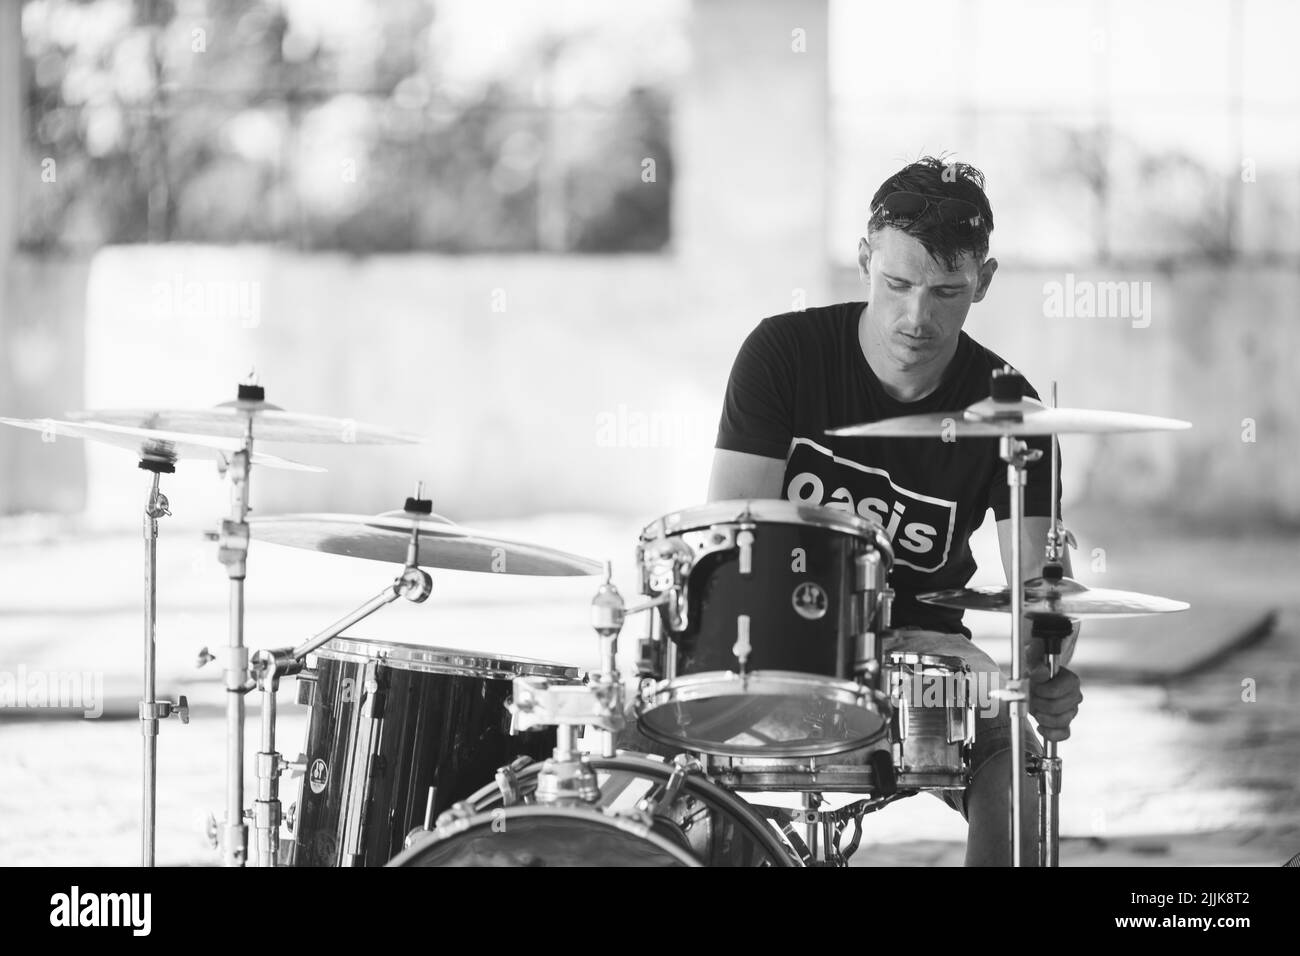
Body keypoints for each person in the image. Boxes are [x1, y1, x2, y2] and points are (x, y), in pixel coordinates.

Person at [705, 156, 1084, 866]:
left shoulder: (1013, 412)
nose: (917, 317)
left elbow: (1042, 591)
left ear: (986, 281)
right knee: (651, 766)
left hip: (927, 653)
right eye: (898, 284)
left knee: (1019, 768)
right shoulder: (782, 355)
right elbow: (730, 544)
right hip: (787, 641)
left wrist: (1049, 666)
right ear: (863, 260)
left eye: (947, 291)